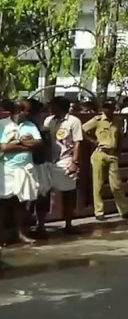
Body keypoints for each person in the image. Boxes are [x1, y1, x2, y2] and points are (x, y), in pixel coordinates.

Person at [37, 97, 83, 235]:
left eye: (54, 106)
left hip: (65, 160)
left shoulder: (74, 121)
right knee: (43, 193)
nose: (51, 108)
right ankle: (41, 226)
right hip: (49, 161)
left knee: (68, 193)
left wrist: (75, 162)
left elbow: (77, 142)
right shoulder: (48, 120)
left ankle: (68, 224)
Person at [83, 100, 128, 222]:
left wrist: (118, 152)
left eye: (110, 107)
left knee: (116, 185)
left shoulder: (117, 121)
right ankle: (99, 212)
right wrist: (93, 141)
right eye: (105, 107)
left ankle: (124, 210)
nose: (107, 110)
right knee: (98, 184)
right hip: (100, 153)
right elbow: (83, 130)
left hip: (112, 154)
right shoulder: (98, 120)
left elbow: (119, 137)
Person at [1, 99, 42, 244]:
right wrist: (24, 143)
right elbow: (3, 148)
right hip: (6, 169)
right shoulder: (3, 125)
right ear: (18, 111)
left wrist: (16, 143)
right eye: (27, 111)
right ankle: (2, 236)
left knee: (20, 202)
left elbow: (37, 143)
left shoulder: (30, 125)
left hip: (24, 168)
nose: (29, 114)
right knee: (3, 203)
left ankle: (20, 233)